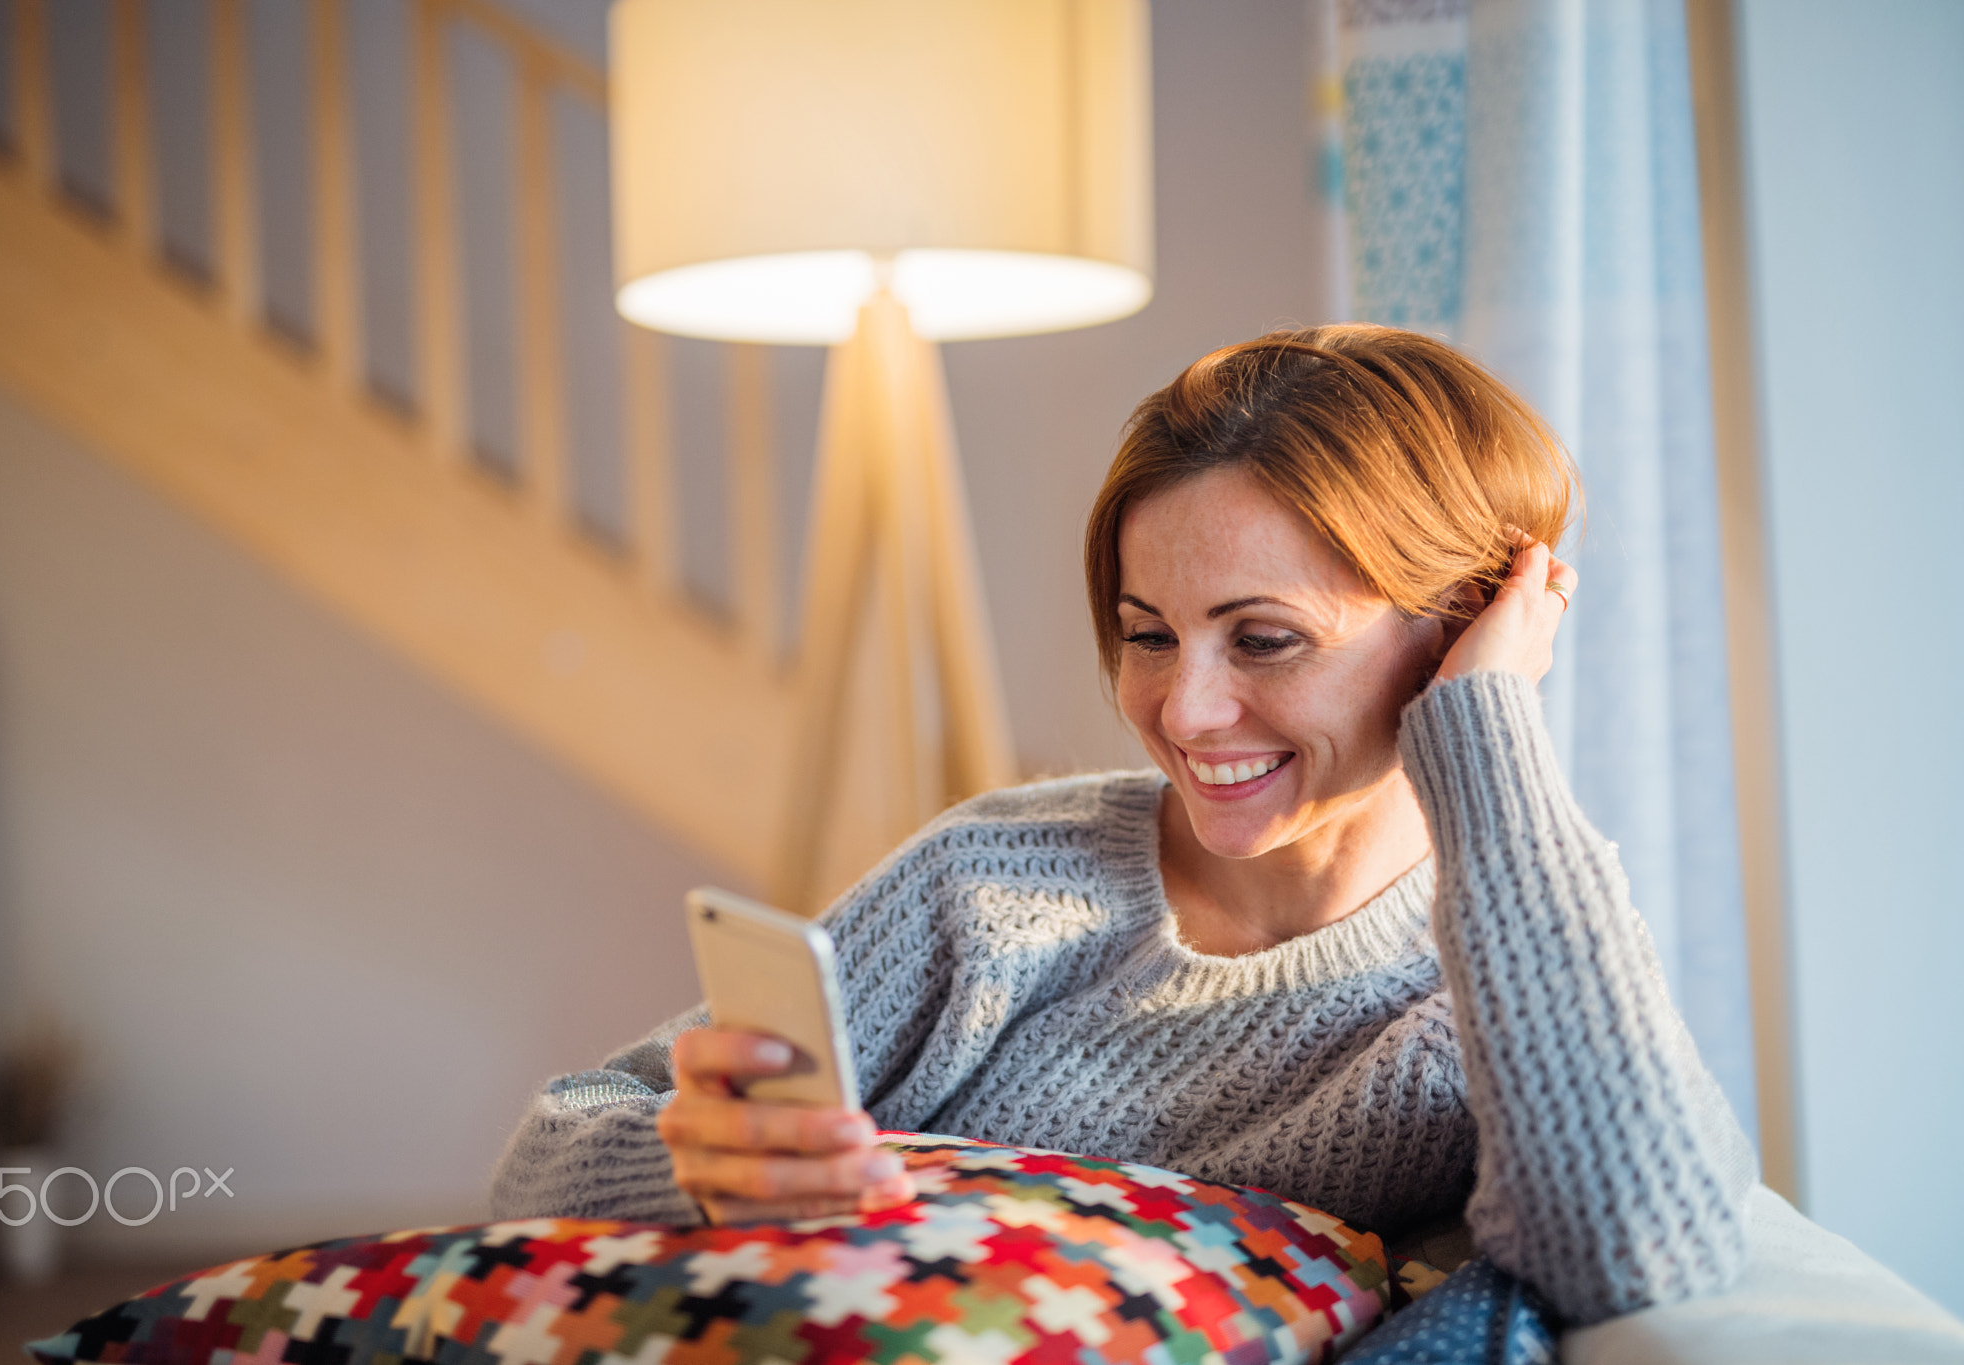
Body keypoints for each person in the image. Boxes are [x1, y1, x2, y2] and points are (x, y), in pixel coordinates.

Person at [489, 325, 1756, 1327]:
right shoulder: (995, 881)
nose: (1185, 709)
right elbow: (540, 1161)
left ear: (1463, 627)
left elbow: (1634, 1248)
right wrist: (697, 1163)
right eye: (1148, 633)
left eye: (1265, 639)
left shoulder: (1496, 971)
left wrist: (1484, 732)